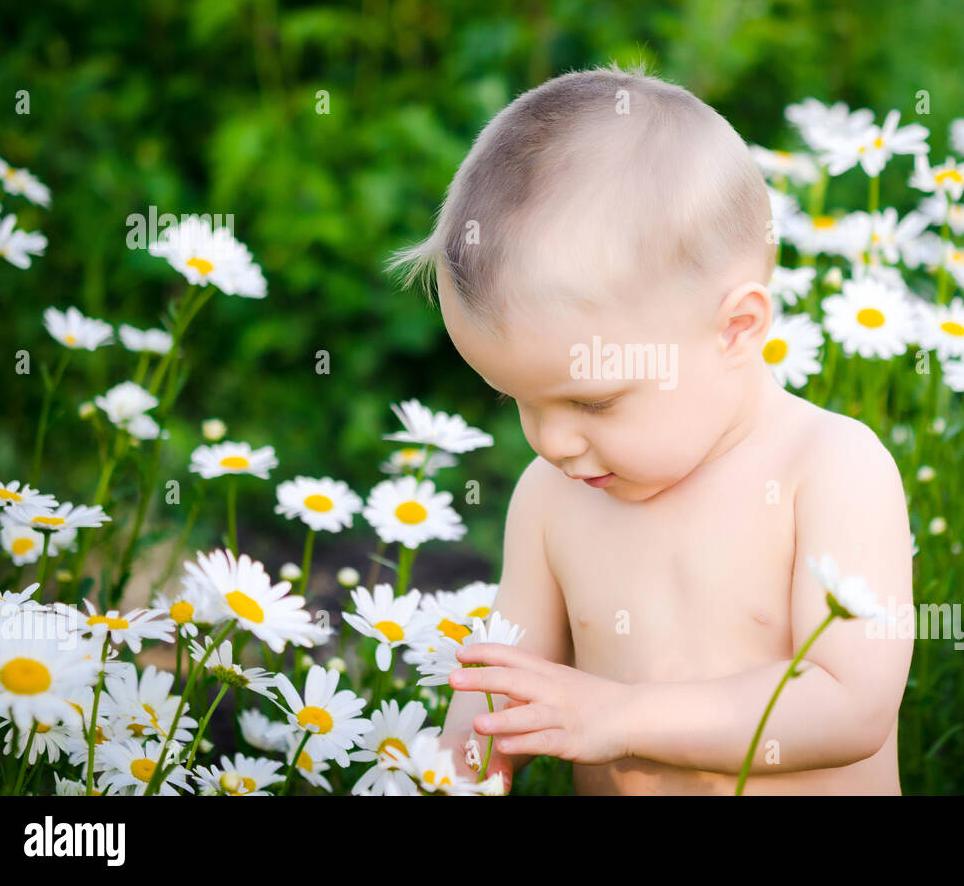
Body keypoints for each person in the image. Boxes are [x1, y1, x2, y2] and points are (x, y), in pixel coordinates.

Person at [386, 62, 914, 794]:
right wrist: (457, 766)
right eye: (517, 399)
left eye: (593, 402)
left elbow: (850, 703)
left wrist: (624, 715)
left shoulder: (829, 469)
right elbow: (498, 687)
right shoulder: (551, 499)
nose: (550, 441)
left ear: (736, 329)